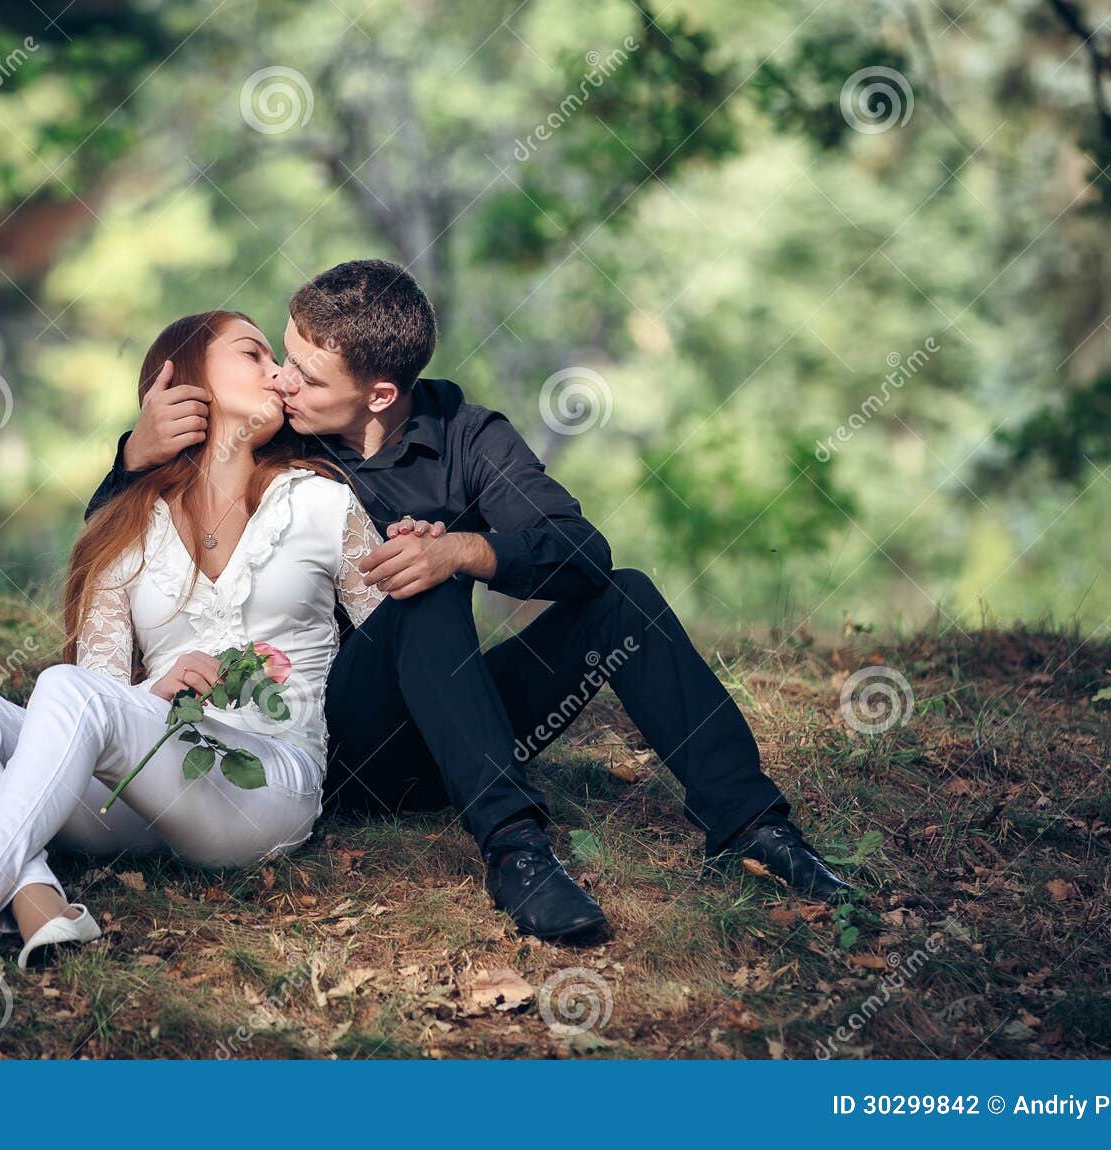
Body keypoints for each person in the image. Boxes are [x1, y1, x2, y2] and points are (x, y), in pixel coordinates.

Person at [87, 260, 855, 945]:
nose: (285, 381)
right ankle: (517, 850)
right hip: (347, 740)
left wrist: (466, 547)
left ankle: (755, 829)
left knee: (628, 600)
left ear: (380, 393)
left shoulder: (467, 435)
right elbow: (142, 529)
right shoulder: (282, 440)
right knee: (422, 592)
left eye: (309, 376)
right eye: (283, 357)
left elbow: (581, 550)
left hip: (463, 718)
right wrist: (133, 453)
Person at [0, 311, 389, 977]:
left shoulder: (323, 505)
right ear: (180, 384)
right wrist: (158, 689)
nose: (279, 372)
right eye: (254, 353)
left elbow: (394, 648)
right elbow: (100, 695)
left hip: (266, 781)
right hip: (140, 786)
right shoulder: (125, 526)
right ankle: (35, 895)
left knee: (59, 689)